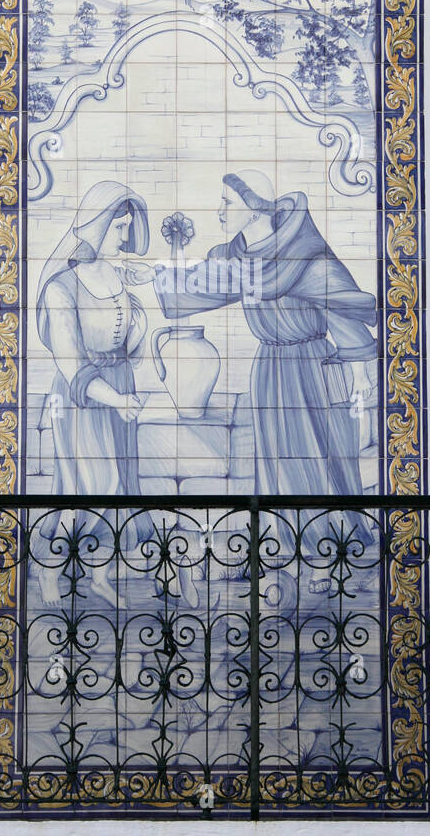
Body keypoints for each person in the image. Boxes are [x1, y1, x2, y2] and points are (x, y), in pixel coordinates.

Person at [127, 170, 377, 571]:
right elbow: (202, 282)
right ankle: (281, 544)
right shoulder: (237, 258)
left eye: (227, 202)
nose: (220, 210)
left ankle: (324, 555)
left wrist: (361, 377)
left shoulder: (305, 253)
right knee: (276, 461)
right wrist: (156, 274)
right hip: (270, 369)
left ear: (254, 206)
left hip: (312, 367)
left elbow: (342, 307)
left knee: (318, 459)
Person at [32, 179, 152, 608]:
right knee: (82, 491)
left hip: (118, 392)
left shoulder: (118, 278)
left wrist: (140, 305)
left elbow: (132, 349)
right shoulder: (61, 288)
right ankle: (48, 570)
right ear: (98, 228)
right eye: (119, 227)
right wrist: (119, 399)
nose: (124, 235)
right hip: (81, 401)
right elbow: (72, 367)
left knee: (116, 486)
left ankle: (99, 576)